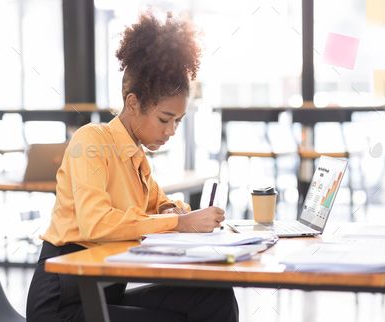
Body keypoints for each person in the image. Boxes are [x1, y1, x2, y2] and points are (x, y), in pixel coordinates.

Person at [26, 9, 239, 322]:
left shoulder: (137, 160)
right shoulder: (92, 140)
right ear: (133, 104)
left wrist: (173, 212)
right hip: (62, 303)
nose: (171, 132)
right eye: (165, 119)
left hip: (101, 290)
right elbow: (95, 224)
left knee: (213, 296)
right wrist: (178, 222)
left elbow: (161, 207)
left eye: (178, 121)